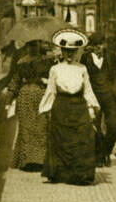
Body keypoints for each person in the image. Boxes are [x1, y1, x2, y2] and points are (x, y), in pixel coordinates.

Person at [38, 28, 101, 184]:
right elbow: (51, 91)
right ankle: (61, 174)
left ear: (77, 52)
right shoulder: (55, 69)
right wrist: (46, 109)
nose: (69, 54)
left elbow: (87, 89)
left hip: (78, 107)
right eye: (67, 51)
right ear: (62, 51)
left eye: (73, 51)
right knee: (61, 139)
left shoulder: (82, 68)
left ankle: (81, 175)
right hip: (62, 106)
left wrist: (92, 106)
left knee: (82, 139)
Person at [82, 32, 116, 167]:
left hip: (110, 96)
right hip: (93, 97)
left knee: (115, 127)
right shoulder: (85, 58)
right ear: (92, 46)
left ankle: (105, 151)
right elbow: (82, 77)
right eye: (97, 45)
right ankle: (99, 156)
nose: (100, 47)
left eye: (101, 44)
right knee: (95, 128)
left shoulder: (110, 56)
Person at [8, 40, 54, 170]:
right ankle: (30, 161)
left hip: (38, 96)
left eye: (35, 46)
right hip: (30, 95)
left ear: (39, 46)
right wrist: (10, 98)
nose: (33, 48)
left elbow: (15, 81)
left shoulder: (45, 61)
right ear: (27, 47)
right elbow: (15, 80)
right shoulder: (24, 62)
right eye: (31, 46)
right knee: (28, 128)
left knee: (40, 126)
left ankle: (36, 160)